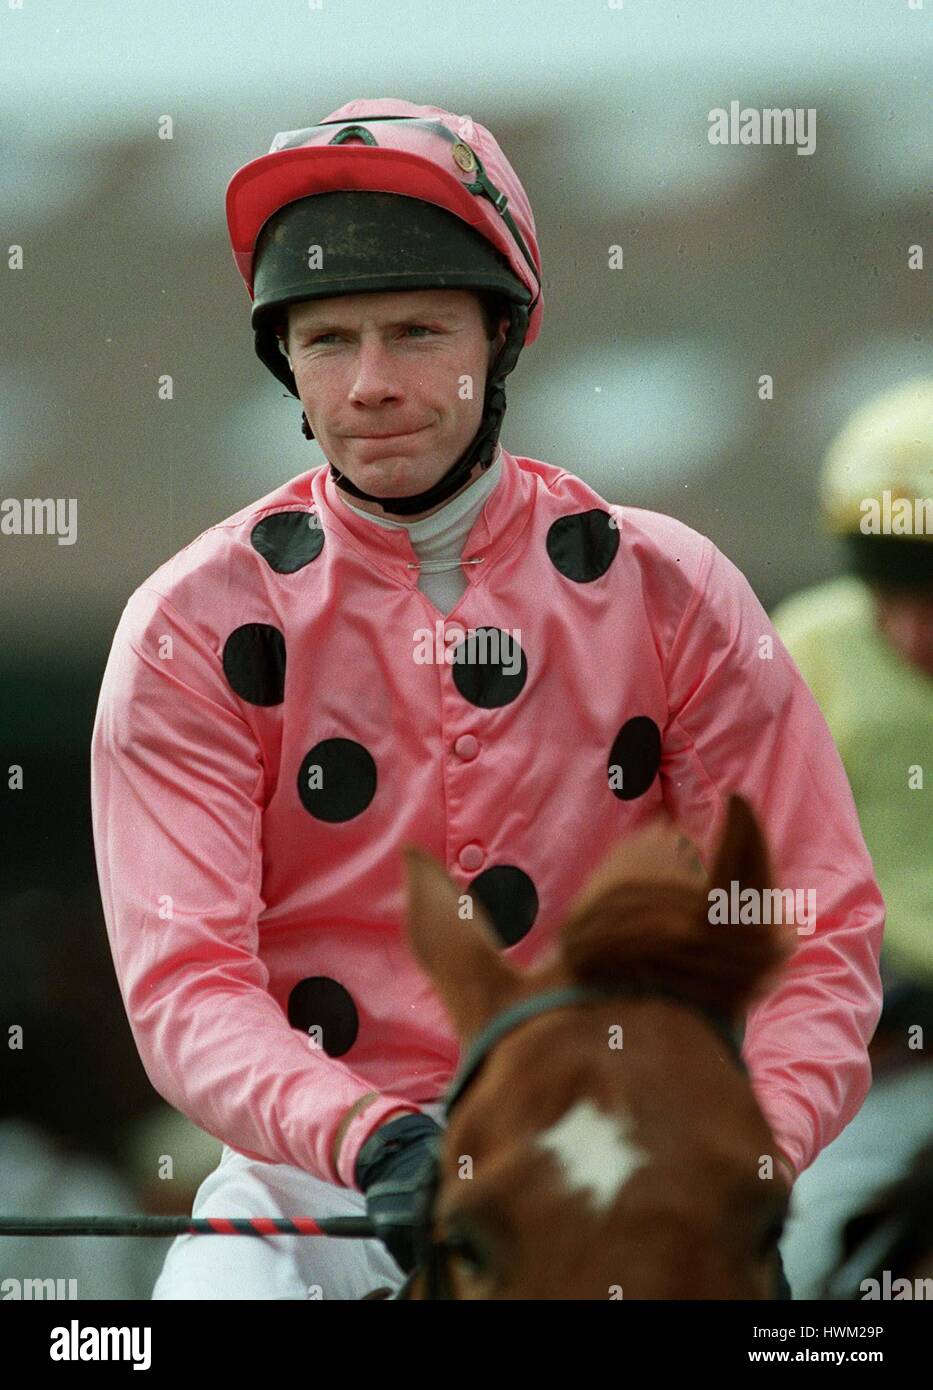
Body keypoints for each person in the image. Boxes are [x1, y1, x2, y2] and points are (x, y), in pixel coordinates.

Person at [90, 98, 884, 1300]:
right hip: (320, 1183)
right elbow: (190, 982)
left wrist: (747, 1146)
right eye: (327, 341)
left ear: (500, 337)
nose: (369, 385)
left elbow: (811, 925)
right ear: (286, 363)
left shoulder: (677, 588)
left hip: (631, 1151)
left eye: (415, 331)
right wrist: (373, 1138)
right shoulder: (183, 627)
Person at [770, 379, 933, 1298]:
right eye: (886, 585)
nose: (910, 629)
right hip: (875, 1058)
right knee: (793, 1252)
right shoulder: (811, 652)